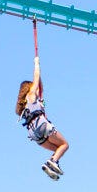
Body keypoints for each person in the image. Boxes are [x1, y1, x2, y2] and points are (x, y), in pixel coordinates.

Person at [16, 50, 70, 180]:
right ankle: (53, 162)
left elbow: (41, 87)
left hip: (34, 135)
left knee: (58, 150)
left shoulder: (24, 105)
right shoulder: (31, 95)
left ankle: (51, 163)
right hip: (41, 125)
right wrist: (37, 64)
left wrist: (39, 80)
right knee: (64, 145)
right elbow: (36, 78)